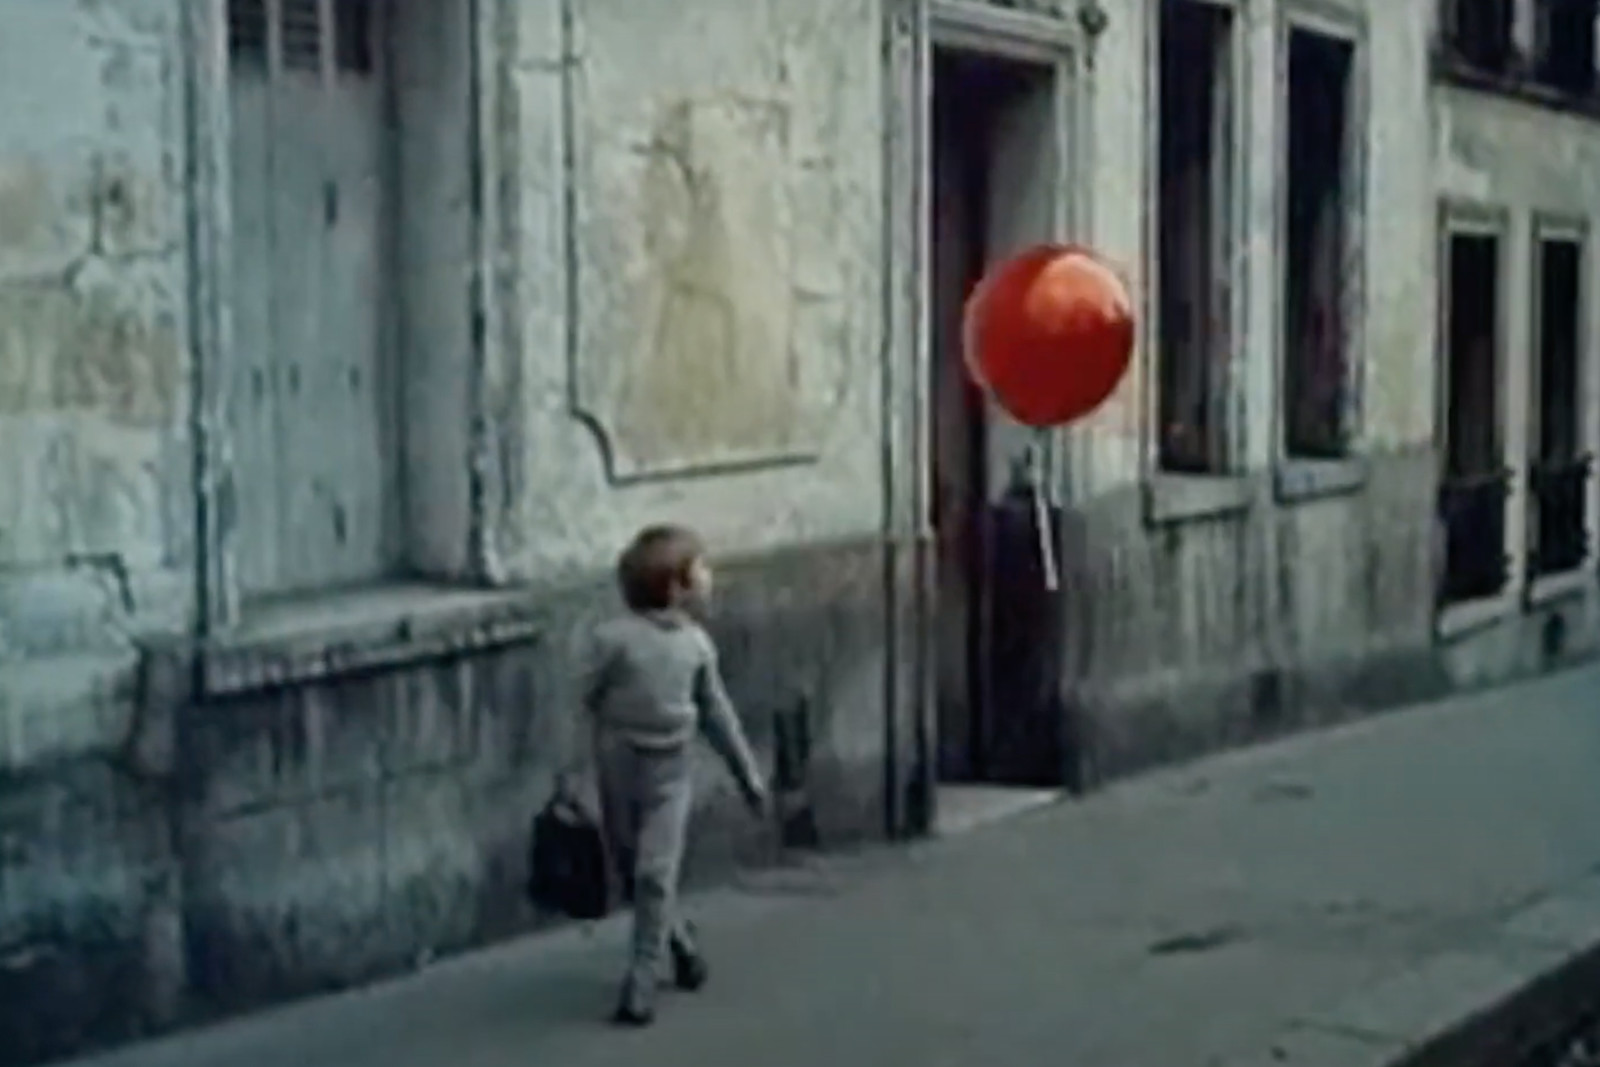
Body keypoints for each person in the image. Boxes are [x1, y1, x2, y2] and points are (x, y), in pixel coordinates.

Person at [580, 524, 769, 1026]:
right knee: (632, 871)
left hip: (671, 774)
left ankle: (641, 980)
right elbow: (583, 697)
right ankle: (680, 944)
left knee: (653, 872)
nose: (710, 577)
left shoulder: (697, 646)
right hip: (620, 768)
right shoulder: (614, 641)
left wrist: (747, 775)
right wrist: (572, 768)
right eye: (701, 569)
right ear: (674, 585)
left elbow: (717, 714)